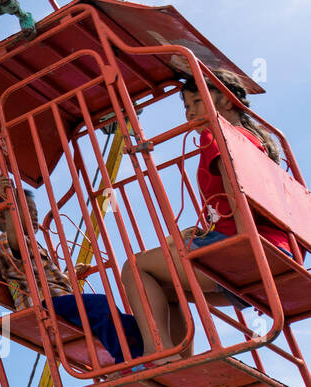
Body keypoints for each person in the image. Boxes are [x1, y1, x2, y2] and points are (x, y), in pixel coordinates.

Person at [121, 69, 295, 360]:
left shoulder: (222, 136)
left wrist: (243, 242)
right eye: (186, 107)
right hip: (277, 253)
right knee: (169, 287)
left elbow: (234, 186)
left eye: (196, 102)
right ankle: (177, 359)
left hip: (249, 252)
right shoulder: (258, 142)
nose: (190, 113)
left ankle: (159, 353)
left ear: (226, 101)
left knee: (134, 268)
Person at [0, 174, 143, 365]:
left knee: (126, 321)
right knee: (100, 305)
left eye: (35, 210)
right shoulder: (7, 240)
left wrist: (69, 276)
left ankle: (141, 357)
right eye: (28, 210)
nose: (35, 214)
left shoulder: (33, 245)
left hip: (57, 300)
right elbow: (16, 241)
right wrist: (7, 203)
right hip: (43, 304)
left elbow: (44, 279)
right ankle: (126, 361)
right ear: (4, 215)